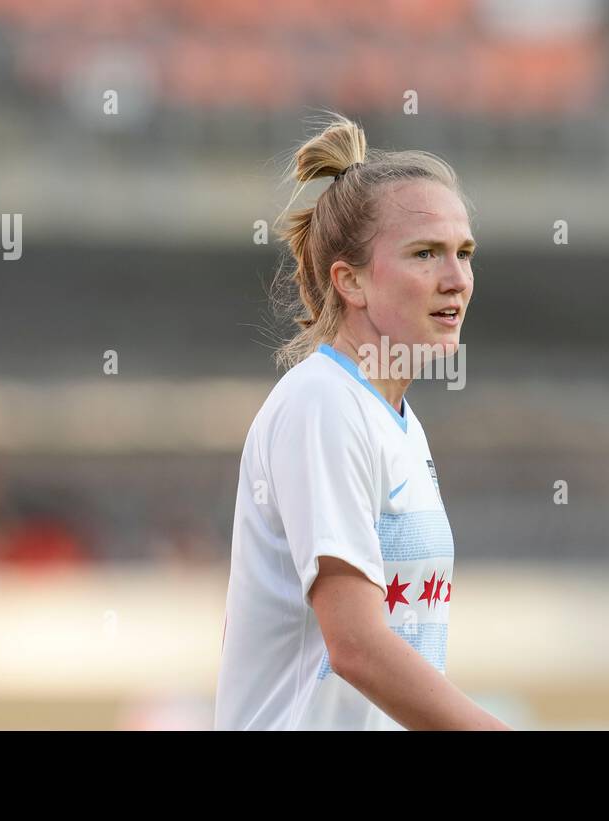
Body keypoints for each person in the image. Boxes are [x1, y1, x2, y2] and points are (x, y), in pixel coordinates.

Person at [214, 114, 509, 730]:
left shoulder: (395, 421)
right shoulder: (323, 404)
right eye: (425, 253)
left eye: (465, 253)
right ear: (349, 281)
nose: (456, 278)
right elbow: (355, 648)